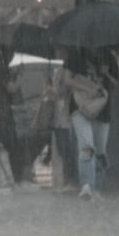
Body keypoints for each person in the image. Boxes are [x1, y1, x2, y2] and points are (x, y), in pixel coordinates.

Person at [0, 46, 39, 196]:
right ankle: (19, 182)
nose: (11, 58)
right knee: (15, 148)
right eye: (10, 55)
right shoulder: (1, 68)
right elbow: (11, 89)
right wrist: (19, 76)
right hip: (0, 116)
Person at [63, 46, 119, 202]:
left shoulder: (109, 57)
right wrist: (88, 87)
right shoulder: (75, 54)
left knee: (100, 152)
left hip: (102, 109)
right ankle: (87, 185)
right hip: (79, 107)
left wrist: (106, 73)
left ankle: (96, 188)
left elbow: (115, 84)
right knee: (87, 145)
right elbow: (67, 80)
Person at [50, 50, 79, 192]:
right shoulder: (59, 70)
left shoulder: (68, 72)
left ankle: (71, 179)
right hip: (59, 116)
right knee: (63, 149)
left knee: (66, 149)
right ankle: (68, 179)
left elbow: (62, 91)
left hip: (65, 116)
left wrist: (54, 90)